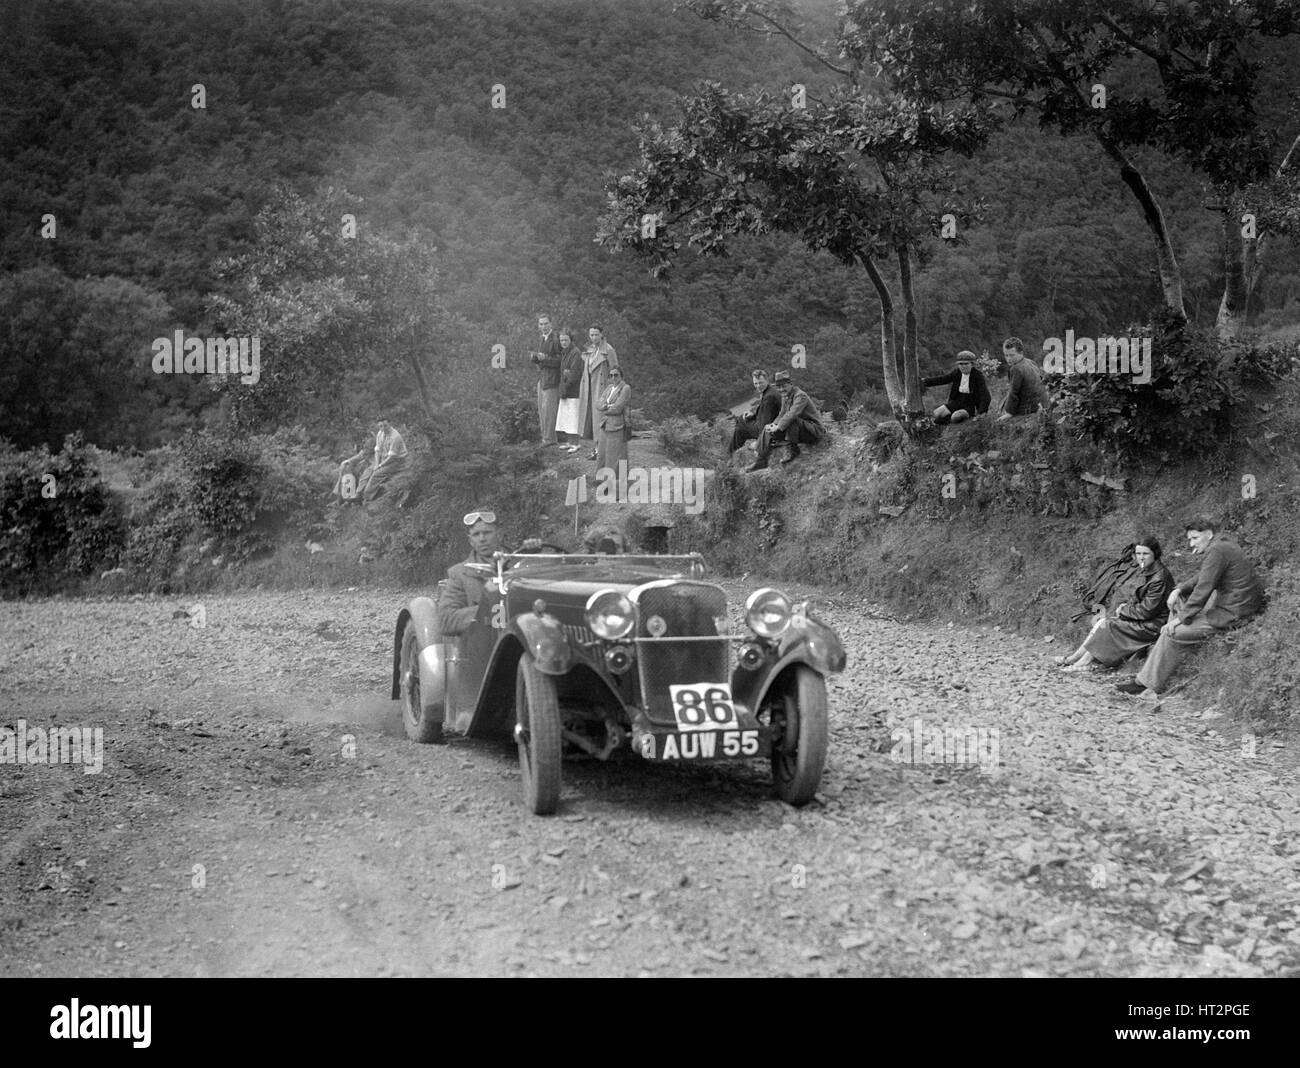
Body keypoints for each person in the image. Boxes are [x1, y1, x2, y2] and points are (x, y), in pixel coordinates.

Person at [1117, 518, 1266, 697]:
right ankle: (1159, 649)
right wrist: (1179, 588)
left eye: (1195, 538)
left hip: (1234, 612)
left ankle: (1145, 682)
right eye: (1190, 539)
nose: (1191, 543)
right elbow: (1203, 576)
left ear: (1208, 534)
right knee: (1180, 598)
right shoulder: (1222, 545)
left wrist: (1180, 620)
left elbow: (1204, 589)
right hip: (1238, 603)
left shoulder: (1217, 550)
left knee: (1172, 633)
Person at [432, 510, 543, 742]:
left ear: (498, 534)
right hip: (482, 656)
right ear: (470, 539)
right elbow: (446, 619)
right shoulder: (459, 574)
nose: (483, 538)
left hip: (528, 645)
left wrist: (536, 552)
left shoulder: (523, 564)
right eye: (477, 534)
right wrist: (487, 610)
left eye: (488, 533)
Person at [1055, 538, 1175, 672]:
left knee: (1108, 626)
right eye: (1138, 554)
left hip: (1153, 625)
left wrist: (1124, 610)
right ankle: (1074, 658)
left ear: (1155, 554)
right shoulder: (1150, 570)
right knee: (1102, 622)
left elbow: (1147, 611)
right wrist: (1125, 606)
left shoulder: (1159, 577)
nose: (1141, 558)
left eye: (1145, 554)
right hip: (1147, 619)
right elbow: (1142, 601)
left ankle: (1082, 663)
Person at [748, 370, 824, 471]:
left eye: (784, 386)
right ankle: (760, 460)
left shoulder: (800, 396)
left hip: (813, 430)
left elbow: (792, 413)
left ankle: (793, 449)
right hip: (799, 430)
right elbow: (782, 414)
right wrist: (773, 425)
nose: (781, 389)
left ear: (790, 384)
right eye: (779, 387)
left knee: (791, 419)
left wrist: (778, 426)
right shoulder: (786, 396)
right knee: (768, 428)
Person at [335, 419, 410, 505]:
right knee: (352, 469)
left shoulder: (395, 437)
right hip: (382, 459)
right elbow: (377, 451)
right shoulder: (380, 434)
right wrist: (377, 464)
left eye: (385, 425)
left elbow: (392, 457)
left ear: (390, 424)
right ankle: (344, 497)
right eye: (381, 426)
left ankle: (365, 498)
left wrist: (380, 465)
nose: (383, 428)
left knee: (376, 474)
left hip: (396, 461)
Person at [578, 326, 619, 461]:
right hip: (589, 388)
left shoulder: (608, 350)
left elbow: (615, 371)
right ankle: (596, 449)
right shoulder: (590, 350)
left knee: (601, 420)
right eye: (591, 335)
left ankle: (602, 451)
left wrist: (612, 391)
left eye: (596, 334)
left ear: (601, 335)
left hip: (602, 390)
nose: (593, 337)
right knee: (592, 420)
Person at [923, 350, 991, 425]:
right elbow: (943, 379)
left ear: (972, 364)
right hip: (956, 401)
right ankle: (941, 423)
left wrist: (981, 413)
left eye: (966, 364)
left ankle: (954, 420)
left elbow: (985, 395)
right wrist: (925, 382)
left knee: (956, 417)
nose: (963, 366)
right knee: (936, 413)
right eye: (961, 364)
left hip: (970, 403)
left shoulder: (978, 376)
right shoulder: (957, 373)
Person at [728, 369, 782, 454]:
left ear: (767, 380)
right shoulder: (770, 390)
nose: (758, 386)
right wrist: (753, 414)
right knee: (740, 429)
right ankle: (733, 454)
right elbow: (764, 410)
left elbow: (765, 423)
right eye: (755, 383)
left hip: (770, 429)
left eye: (760, 383)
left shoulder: (769, 397)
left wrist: (759, 443)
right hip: (770, 424)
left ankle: (731, 454)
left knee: (741, 420)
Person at [529, 314, 563, 447]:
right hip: (542, 377)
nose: (543, 326)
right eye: (541, 324)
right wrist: (535, 358)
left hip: (552, 379)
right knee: (542, 409)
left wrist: (545, 359)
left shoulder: (556, 339)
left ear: (551, 324)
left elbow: (560, 360)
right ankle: (545, 437)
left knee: (549, 410)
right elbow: (542, 360)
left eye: (545, 324)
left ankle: (550, 439)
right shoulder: (541, 339)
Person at [997, 336, 1049, 420]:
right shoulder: (1031, 362)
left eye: (1012, 355)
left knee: (999, 420)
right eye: (1006, 355)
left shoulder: (1016, 369)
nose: (1008, 359)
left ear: (1021, 353)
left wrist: (1009, 413)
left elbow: (1014, 392)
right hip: (1039, 404)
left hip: (1027, 409)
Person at [595, 367, 632, 473]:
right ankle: (601, 479)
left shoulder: (625, 388)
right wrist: (607, 406)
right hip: (605, 424)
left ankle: (613, 481)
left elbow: (618, 408)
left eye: (616, 375)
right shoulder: (609, 388)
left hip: (617, 425)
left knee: (614, 455)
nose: (613, 377)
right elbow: (598, 404)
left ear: (621, 376)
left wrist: (605, 407)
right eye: (611, 375)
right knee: (602, 454)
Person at [555, 329, 585, 451]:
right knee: (566, 416)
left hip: (573, 390)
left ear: (571, 340)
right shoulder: (565, 352)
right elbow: (565, 371)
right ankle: (569, 441)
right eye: (562, 340)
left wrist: (566, 385)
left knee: (573, 417)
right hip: (566, 388)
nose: (563, 342)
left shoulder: (575, 352)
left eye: (566, 340)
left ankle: (575, 443)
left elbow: (574, 373)